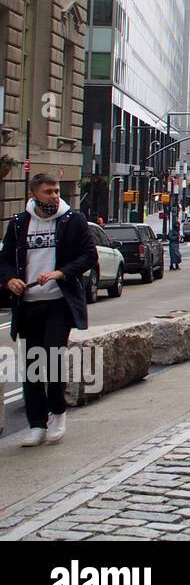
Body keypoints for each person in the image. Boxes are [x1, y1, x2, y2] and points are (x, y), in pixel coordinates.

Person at [0, 174, 98, 447]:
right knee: (32, 364)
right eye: (48, 192)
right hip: (28, 303)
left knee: (53, 358)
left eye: (57, 191)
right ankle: (36, 424)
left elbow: (89, 256)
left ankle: (58, 413)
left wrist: (60, 273)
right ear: (34, 195)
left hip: (59, 302)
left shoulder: (72, 220)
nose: (54, 196)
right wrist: (10, 279)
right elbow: (5, 260)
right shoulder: (20, 224)